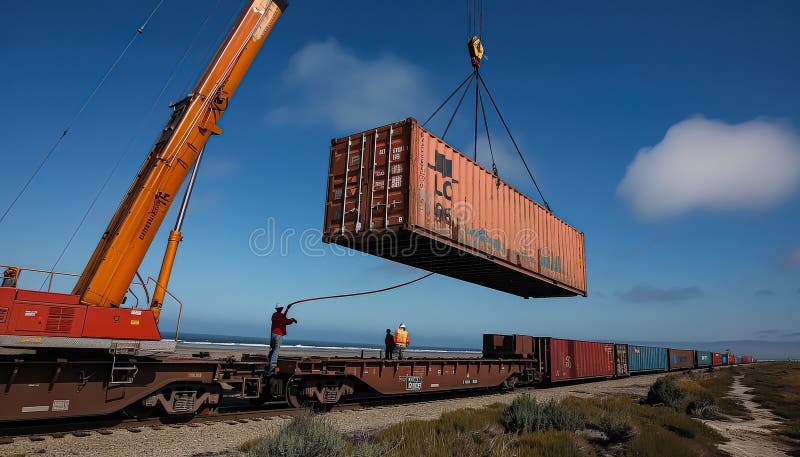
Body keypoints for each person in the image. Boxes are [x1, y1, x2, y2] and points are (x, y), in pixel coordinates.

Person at [267, 304, 297, 374]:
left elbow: (283, 317)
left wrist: (287, 309)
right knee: (276, 349)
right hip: (278, 334)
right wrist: (292, 320)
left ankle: (269, 362)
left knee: (272, 348)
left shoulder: (274, 315)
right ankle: (273, 365)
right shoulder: (280, 316)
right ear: (281, 309)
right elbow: (285, 321)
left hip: (273, 334)